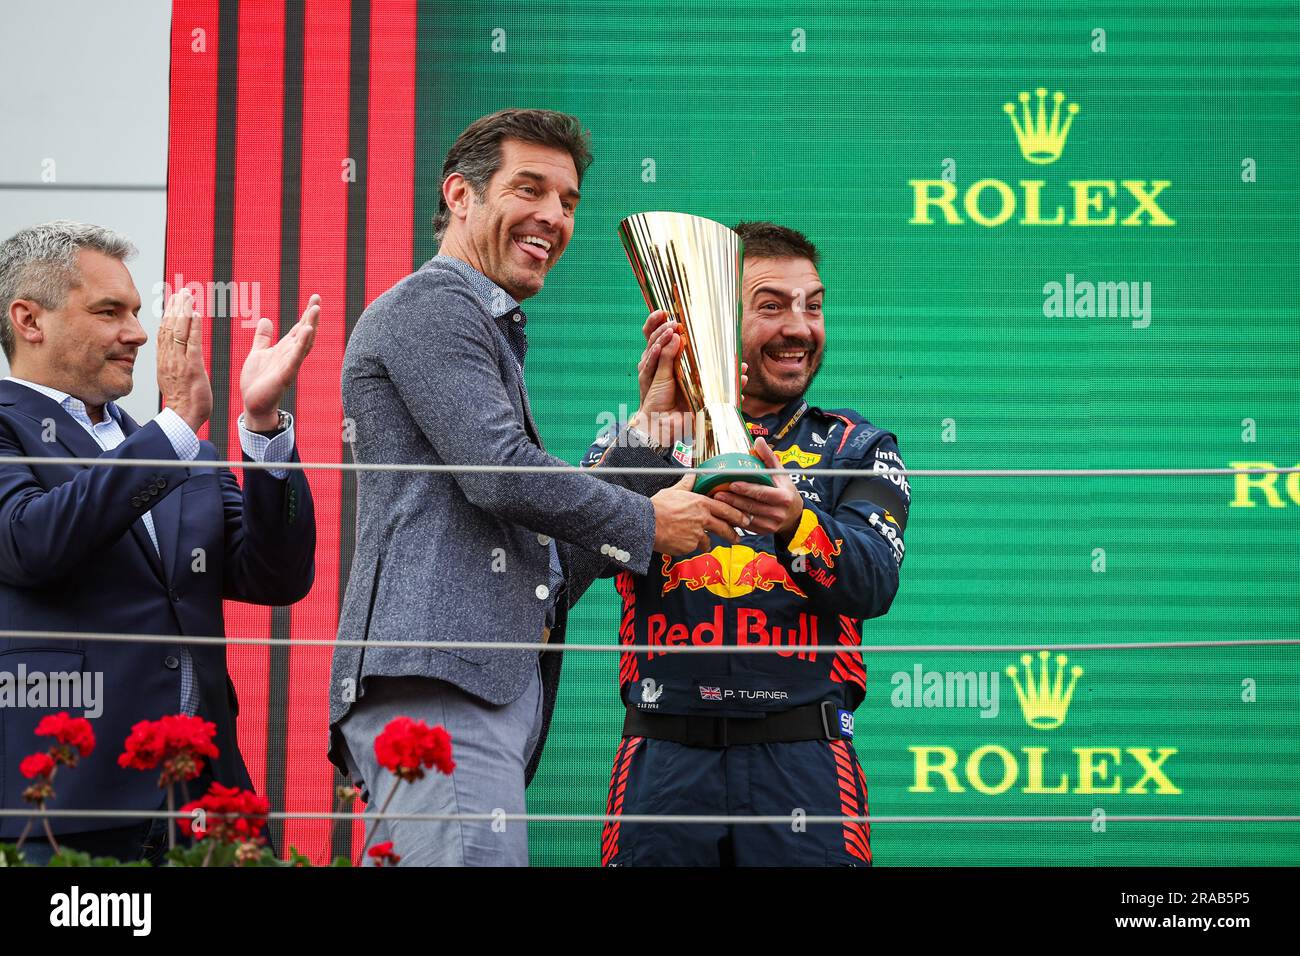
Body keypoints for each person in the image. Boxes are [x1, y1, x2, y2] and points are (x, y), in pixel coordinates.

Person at [329, 108, 742, 867]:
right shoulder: (436, 305)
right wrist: (650, 524)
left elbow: (548, 557)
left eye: (570, 201)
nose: (553, 216)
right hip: (444, 683)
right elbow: (500, 471)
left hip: (466, 687)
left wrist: (650, 434)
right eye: (531, 189)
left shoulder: (485, 325)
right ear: (460, 195)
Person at [583, 221, 910, 866]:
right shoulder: (648, 439)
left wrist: (796, 522)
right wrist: (650, 429)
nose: (800, 327)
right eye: (771, 306)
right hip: (663, 760)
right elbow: (574, 552)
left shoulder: (857, 448)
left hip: (804, 761)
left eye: (812, 305)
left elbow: (874, 583)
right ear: (714, 322)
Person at [0, 220, 320, 864]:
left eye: (139, 313)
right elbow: (33, 543)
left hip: (207, 805)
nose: (138, 334)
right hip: (69, 807)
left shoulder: (176, 447)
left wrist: (263, 431)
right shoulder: (30, 432)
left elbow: (275, 577)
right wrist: (174, 422)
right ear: (29, 320)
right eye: (109, 311)